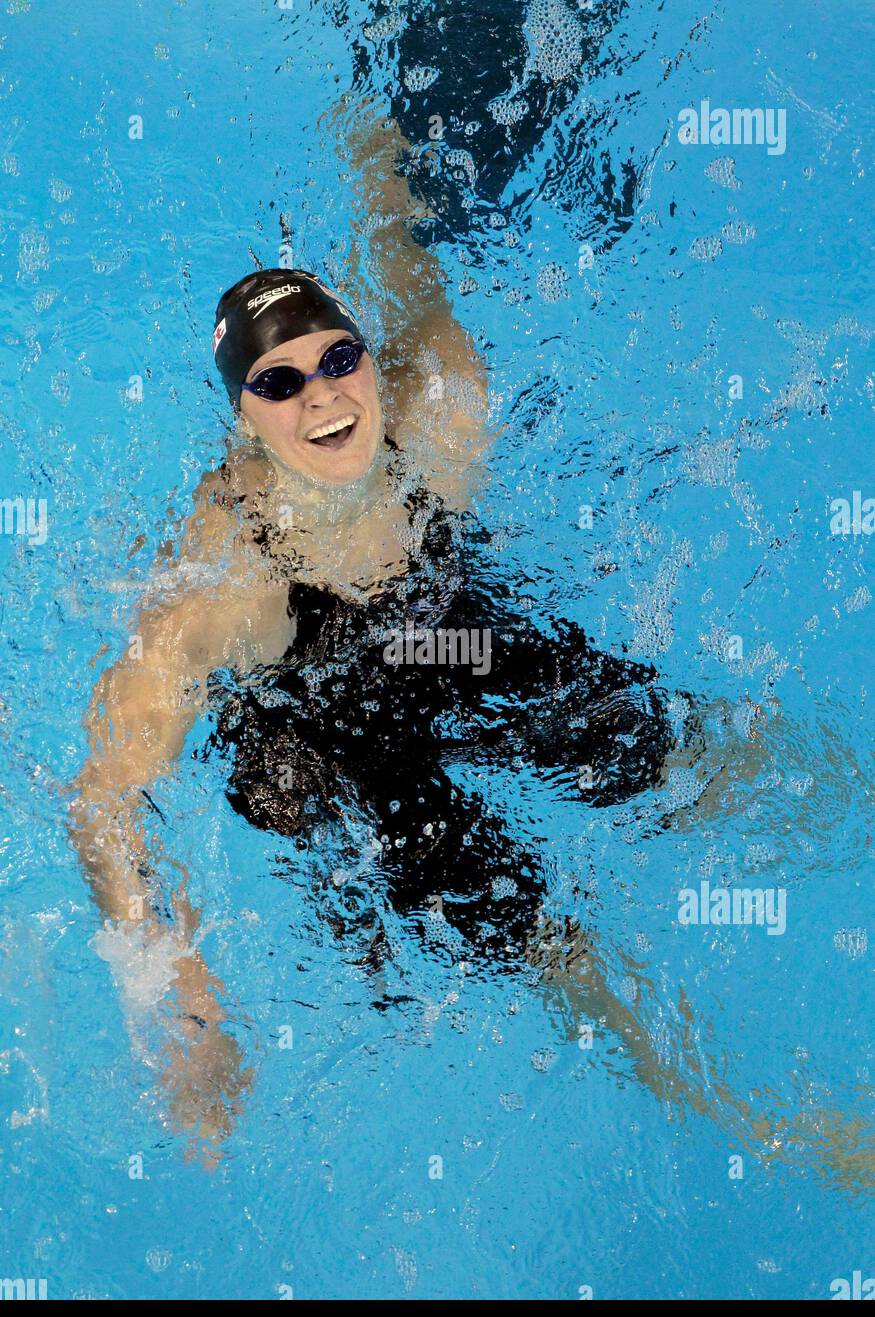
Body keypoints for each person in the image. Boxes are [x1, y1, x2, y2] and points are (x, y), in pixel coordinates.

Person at [68, 115, 874, 1192]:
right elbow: (102, 799)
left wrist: (380, 162)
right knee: (550, 945)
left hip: (454, 640)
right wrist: (175, 998)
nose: (322, 395)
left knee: (692, 747)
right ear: (243, 421)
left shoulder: (441, 404)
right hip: (329, 738)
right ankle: (772, 1127)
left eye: (336, 358)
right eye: (279, 382)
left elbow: (407, 266)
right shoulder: (225, 586)